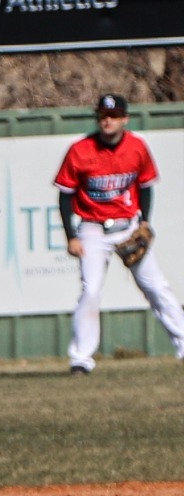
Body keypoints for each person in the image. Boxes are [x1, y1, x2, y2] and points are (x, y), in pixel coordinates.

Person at [57, 93, 184, 374]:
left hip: (128, 225)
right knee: (90, 291)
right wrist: (71, 236)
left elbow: (146, 186)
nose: (108, 121)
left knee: (156, 287)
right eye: (103, 115)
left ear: (125, 118)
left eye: (113, 116)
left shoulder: (137, 147)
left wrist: (144, 223)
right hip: (92, 228)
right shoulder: (80, 150)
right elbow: (65, 196)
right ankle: (80, 359)